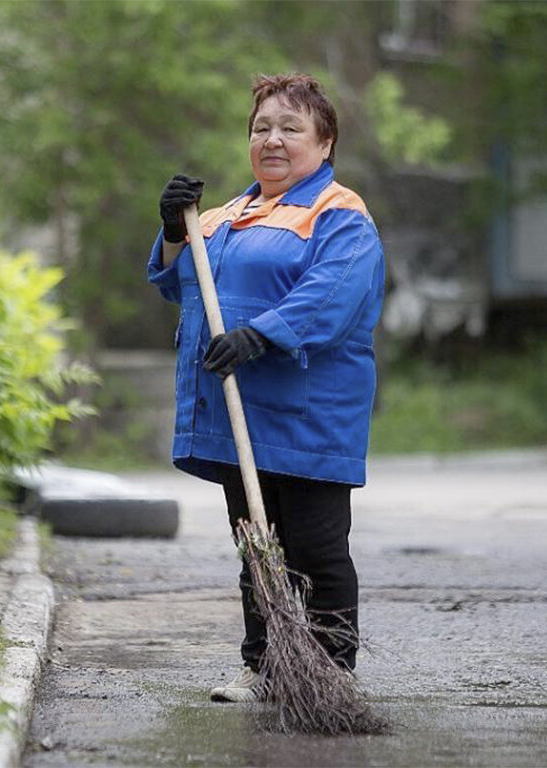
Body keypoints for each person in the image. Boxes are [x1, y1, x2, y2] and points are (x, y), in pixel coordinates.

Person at [147, 73, 386, 703]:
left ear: (325, 141)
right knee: (258, 545)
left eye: (290, 128)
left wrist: (263, 335)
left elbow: (335, 290)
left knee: (315, 547)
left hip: (308, 413)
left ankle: (330, 670)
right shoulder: (223, 217)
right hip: (239, 414)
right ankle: (263, 666)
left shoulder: (339, 213)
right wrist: (176, 228)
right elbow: (180, 284)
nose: (272, 140)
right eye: (261, 128)